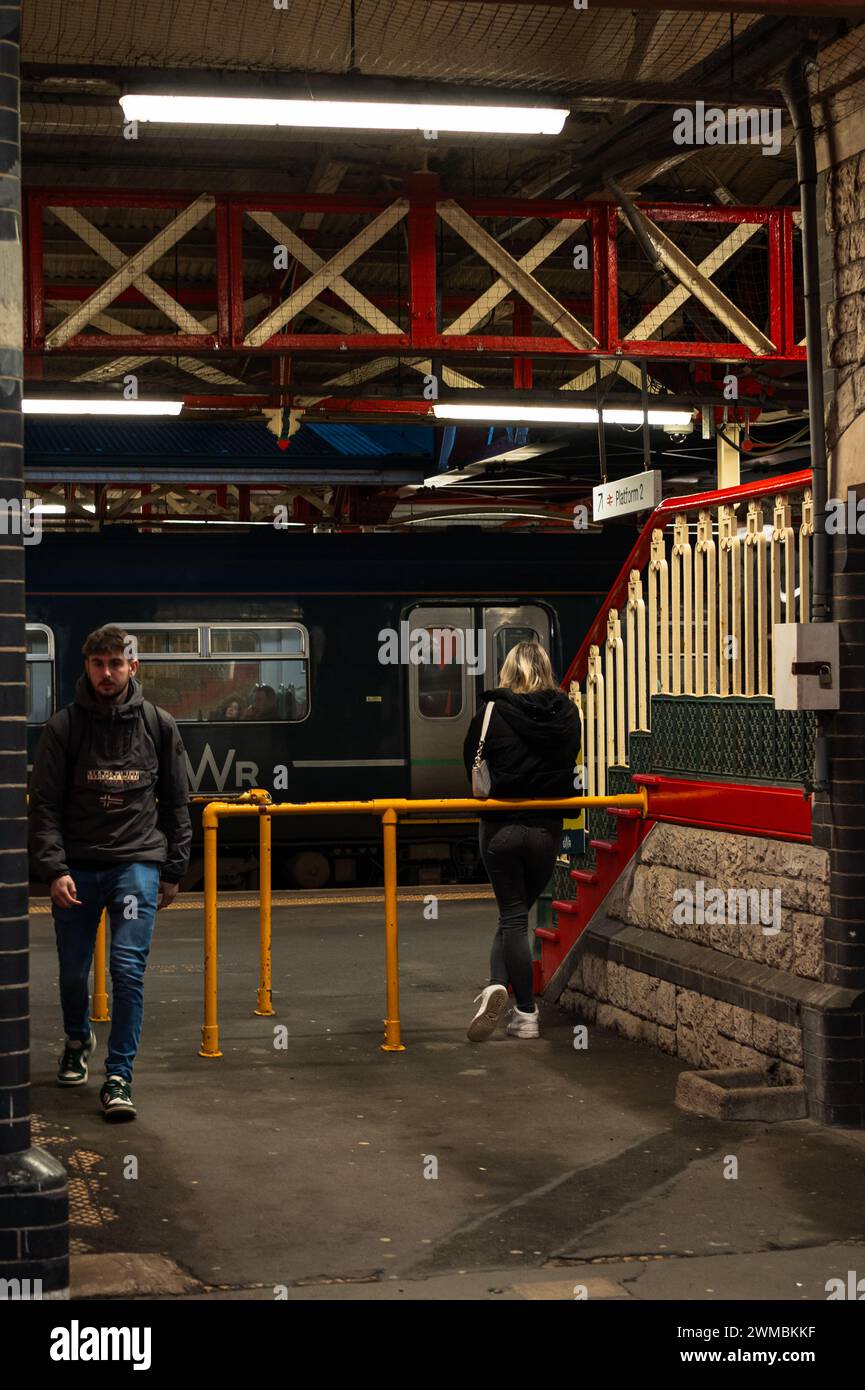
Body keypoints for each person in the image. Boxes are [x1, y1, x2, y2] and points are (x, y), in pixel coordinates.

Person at [28, 625, 191, 1121]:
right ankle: (78, 1039)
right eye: (99, 664)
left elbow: (178, 802)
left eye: (116, 664)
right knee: (74, 974)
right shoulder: (64, 728)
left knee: (126, 970)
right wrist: (54, 870)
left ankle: (118, 1076)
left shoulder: (159, 725)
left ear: (132, 667)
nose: (107, 673)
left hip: (135, 864)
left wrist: (173, 869)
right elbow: (45, 808)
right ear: (87, 667)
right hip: (77, 867)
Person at [462, 642, 580, 1042]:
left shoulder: (491, 711)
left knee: (512, 917)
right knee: (514, 918)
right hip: (546, 831)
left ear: (508, 670)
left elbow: (470, 761)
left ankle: (523, 1009)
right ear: (546, 669)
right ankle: (501, 990)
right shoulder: (568, 714)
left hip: (501, 828)